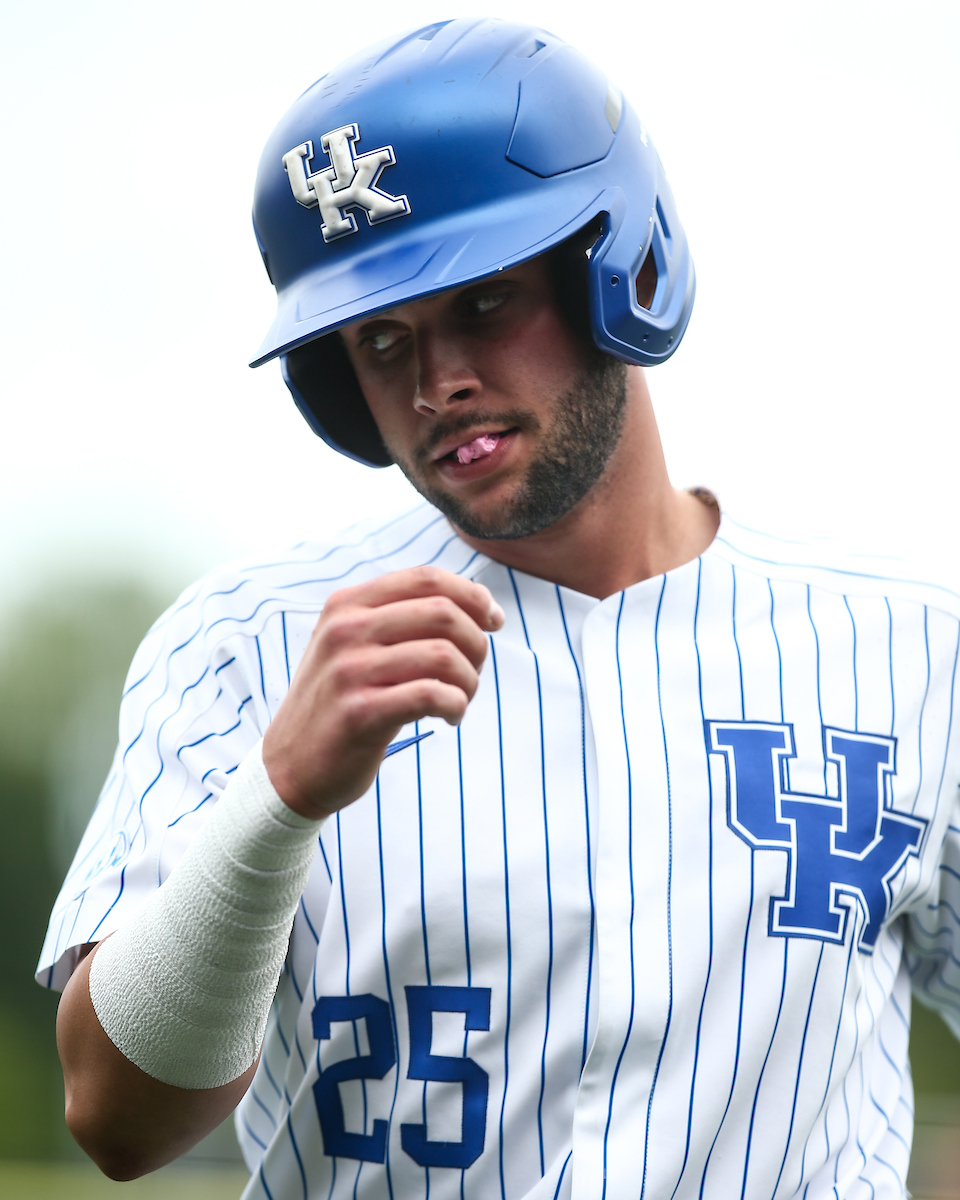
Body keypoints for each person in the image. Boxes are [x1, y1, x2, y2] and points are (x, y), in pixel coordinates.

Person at [39, 17, 960, 1200]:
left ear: (622, 268)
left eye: (482, 301)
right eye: (381, 339)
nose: (437, 384)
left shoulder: (910, 644)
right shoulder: (245, 647)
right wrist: (276, 802)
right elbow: (116, 1122)